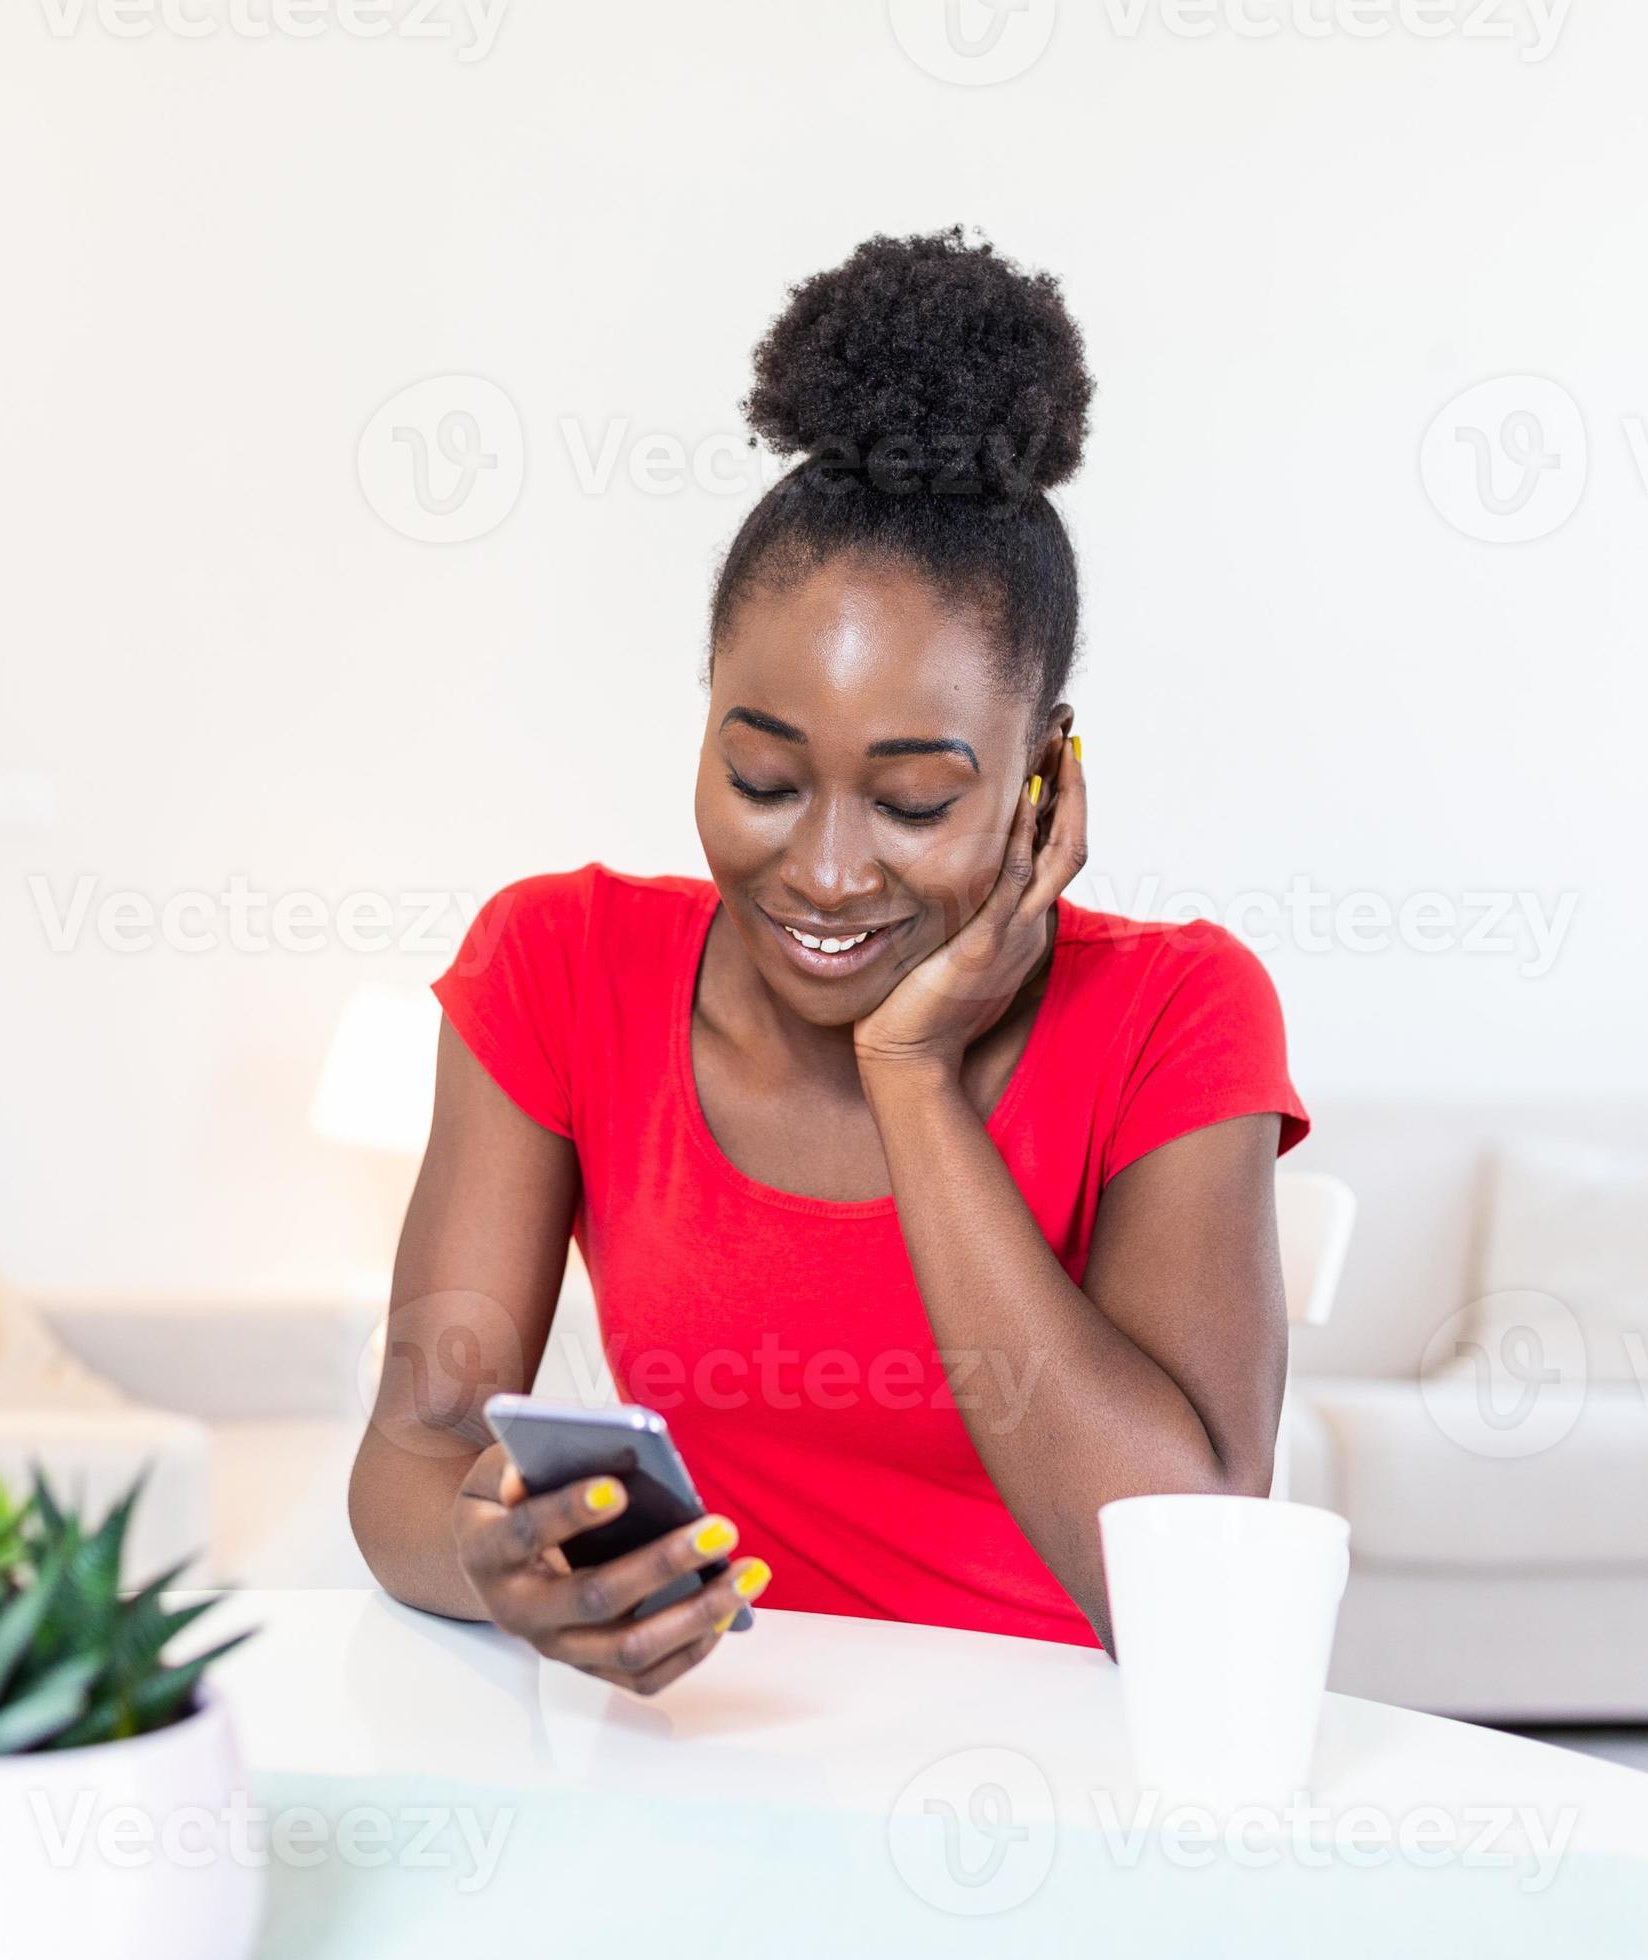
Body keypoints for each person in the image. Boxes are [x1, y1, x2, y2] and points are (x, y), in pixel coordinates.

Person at [349, 229, 1308, 1695]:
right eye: (764, 778)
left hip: (1049, 1784)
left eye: (917, 802)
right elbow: (414, 1453)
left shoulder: (1177, 1011)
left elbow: (1176, 1572)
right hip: (705, 1754)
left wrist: (914, 1072)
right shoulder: (559, 964)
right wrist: (495, 1559)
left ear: (1042, 781)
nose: (827, 870)